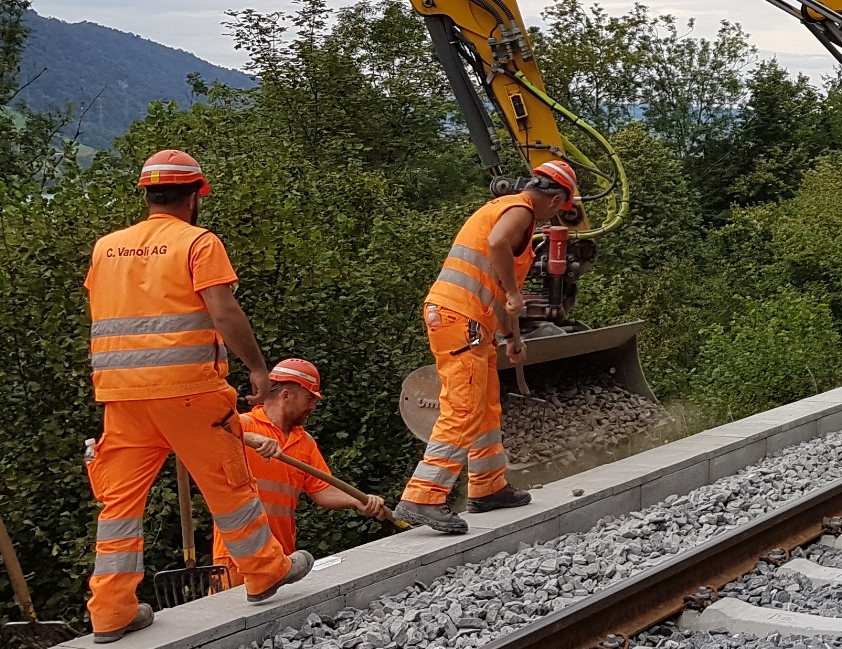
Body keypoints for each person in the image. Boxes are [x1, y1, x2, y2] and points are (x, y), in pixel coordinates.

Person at [83, 149, 312, 642]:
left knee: (119, 505)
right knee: (230, 486)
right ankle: (264, 570)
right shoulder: (198, 243)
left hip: (121, 397)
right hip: (189, 391)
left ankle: (110, 611)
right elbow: (224, 312)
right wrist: (258, 369)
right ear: (193, 197)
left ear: (147, 195)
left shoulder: (106, 248)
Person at [393, 160, 578, 534]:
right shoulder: (521, 210)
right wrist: (514, 293)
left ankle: (488, 486)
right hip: (461, 320)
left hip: (467, 321)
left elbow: (495, 293)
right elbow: (498, 252)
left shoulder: (502, 209)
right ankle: (422, 497)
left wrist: (512, 338)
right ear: (556, 199)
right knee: (463, 408)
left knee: (485, 406)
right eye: (560, 209)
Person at [212, 359, 385, 585]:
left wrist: (357, 500)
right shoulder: (242, 425)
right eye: (309, 398)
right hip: (236, 557)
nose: (313, 406)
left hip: (281, 557)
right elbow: (205, 437)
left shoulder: (305, 442)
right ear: (286, 395)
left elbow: (322, 489)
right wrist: (251, 438)